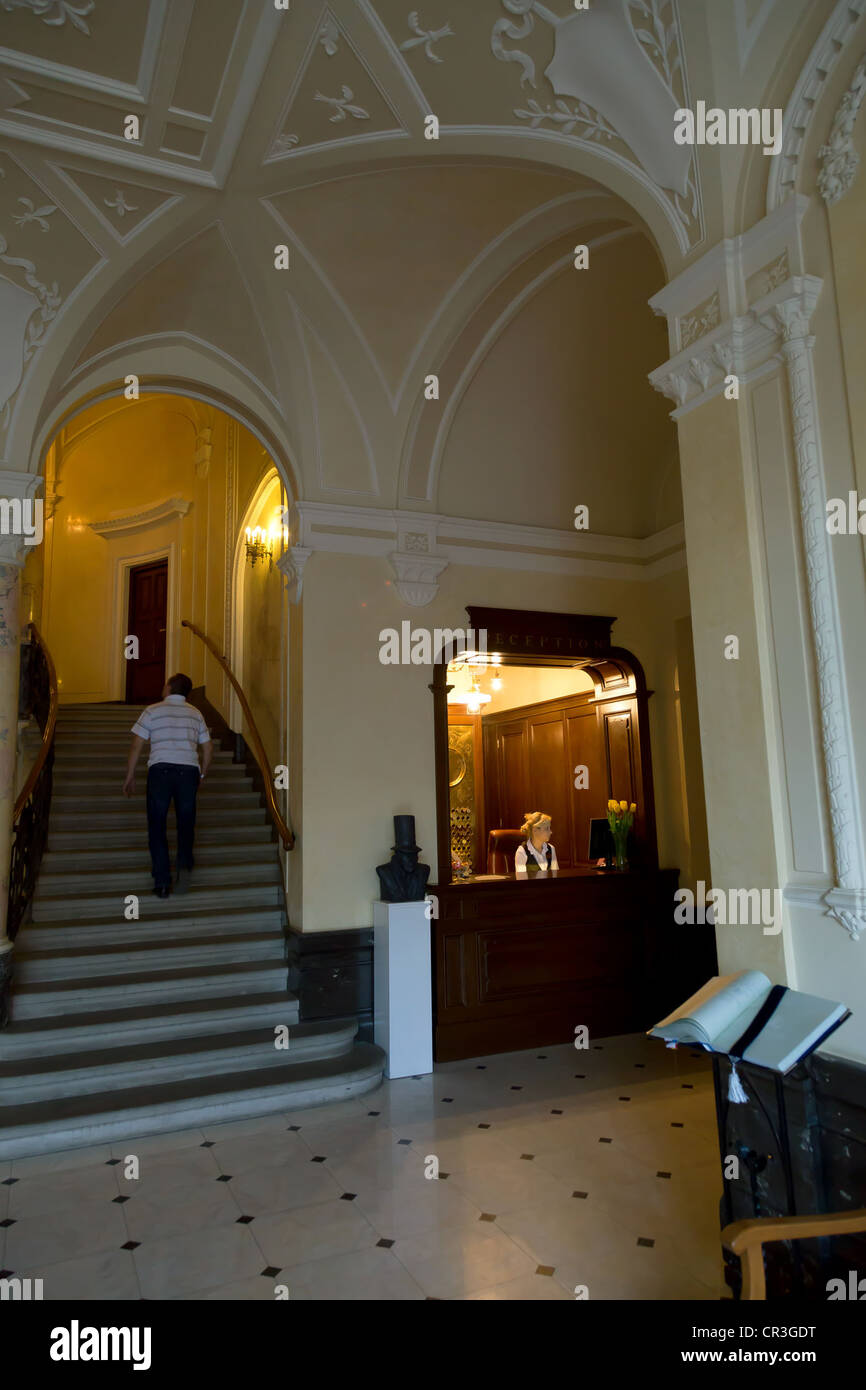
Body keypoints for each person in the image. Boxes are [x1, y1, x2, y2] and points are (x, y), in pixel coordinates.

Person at [122, 673, 213, 898]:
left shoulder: (152, 710)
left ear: (169, 687)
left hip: (160, 771)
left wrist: (130, 775)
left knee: (157, 825)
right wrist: (202, 773)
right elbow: (208, 748)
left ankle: (162, 882)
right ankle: (184, 866)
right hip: (188, 772)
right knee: (186, 822)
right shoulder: (196, 713)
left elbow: (136, 745)